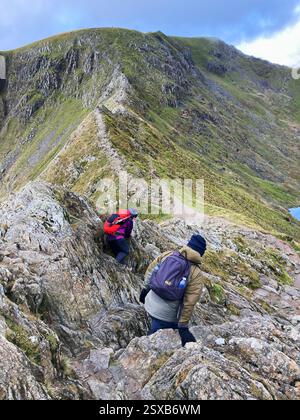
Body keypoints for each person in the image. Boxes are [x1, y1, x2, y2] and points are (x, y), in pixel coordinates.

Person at [139, 234, 207, 347]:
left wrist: (145, 290)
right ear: (200, 253)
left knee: (153, 327)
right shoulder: (195, 273)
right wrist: (183, 326)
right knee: (153, 342)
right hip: (166, 315)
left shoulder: (168, 254)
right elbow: (189, 303)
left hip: (149, 301)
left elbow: (151, 271)